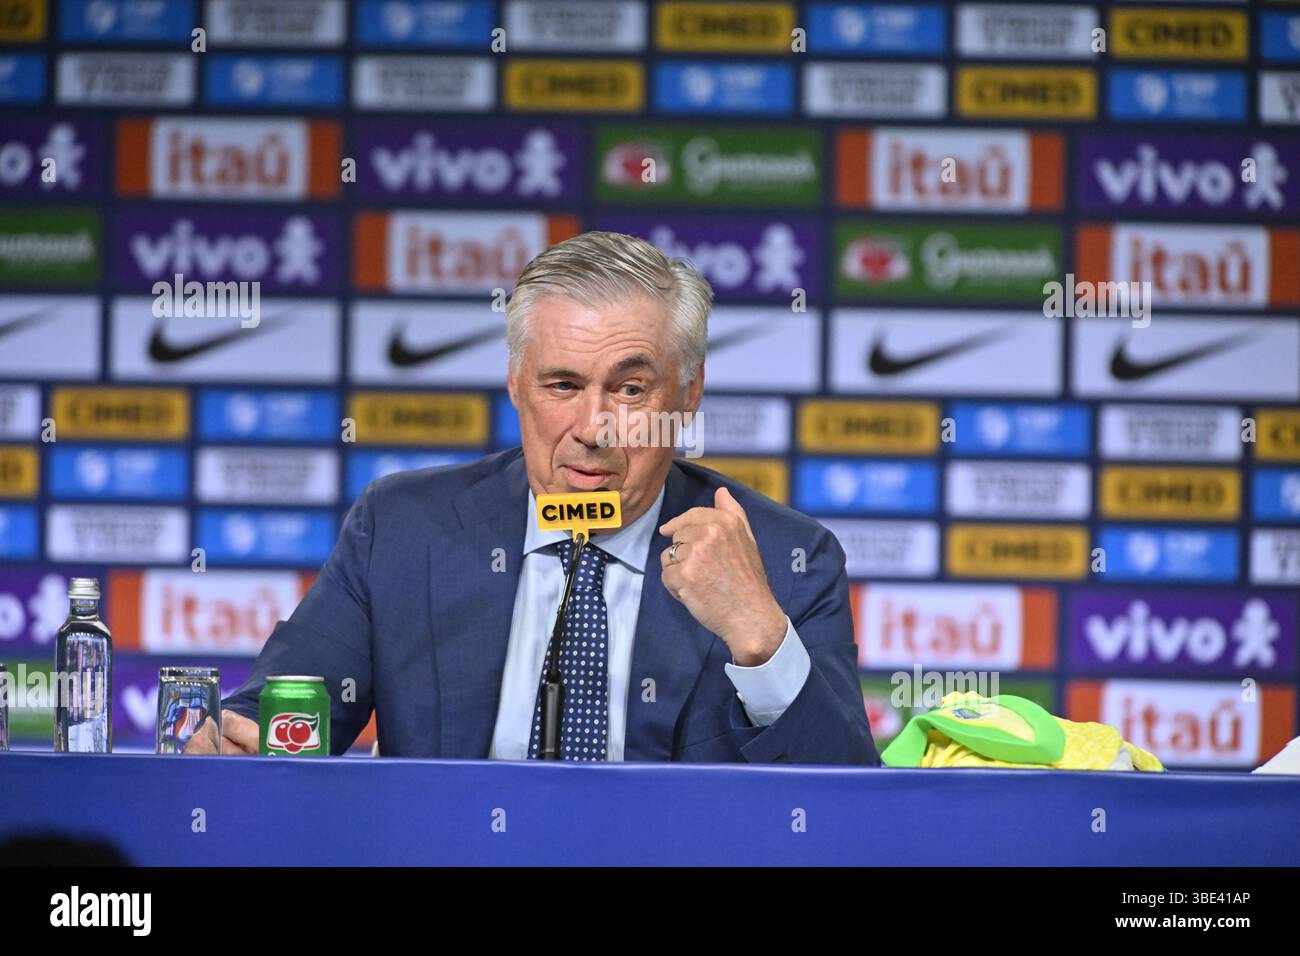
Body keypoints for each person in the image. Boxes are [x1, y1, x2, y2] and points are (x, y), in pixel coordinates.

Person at [187, 231, 878, 764]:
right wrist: (238, 746)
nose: (593, 429)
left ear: (689, 393)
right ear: (516, 383)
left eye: (630, 389)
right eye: (562, 385)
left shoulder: (786, 558)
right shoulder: (402, 530)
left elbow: (849, 806)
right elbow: (279, 720)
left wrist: (760, 637)